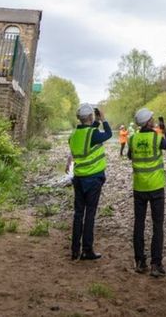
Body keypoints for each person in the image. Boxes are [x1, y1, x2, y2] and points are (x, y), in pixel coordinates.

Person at [127, 108, 166, 277]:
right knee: (157, 225)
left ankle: (139, 262)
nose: (153, 120)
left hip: (139, 186)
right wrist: (165, 131)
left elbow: (130, 156)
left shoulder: (133, 138)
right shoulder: (156, 137)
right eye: (152, 119)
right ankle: (155, 264)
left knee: (139, 224)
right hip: (156, 186)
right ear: (148, 122)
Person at [66, 103, 112, 261]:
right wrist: (103, 120)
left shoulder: (73, 135)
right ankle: (87, 249)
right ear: (91, 117)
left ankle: (74, 250)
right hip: (93, 180)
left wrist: (96, 121)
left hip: (78, 178)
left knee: (78, 214)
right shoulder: (93, 134)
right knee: (90, 214)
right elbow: (108, 134)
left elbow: (88, 132)